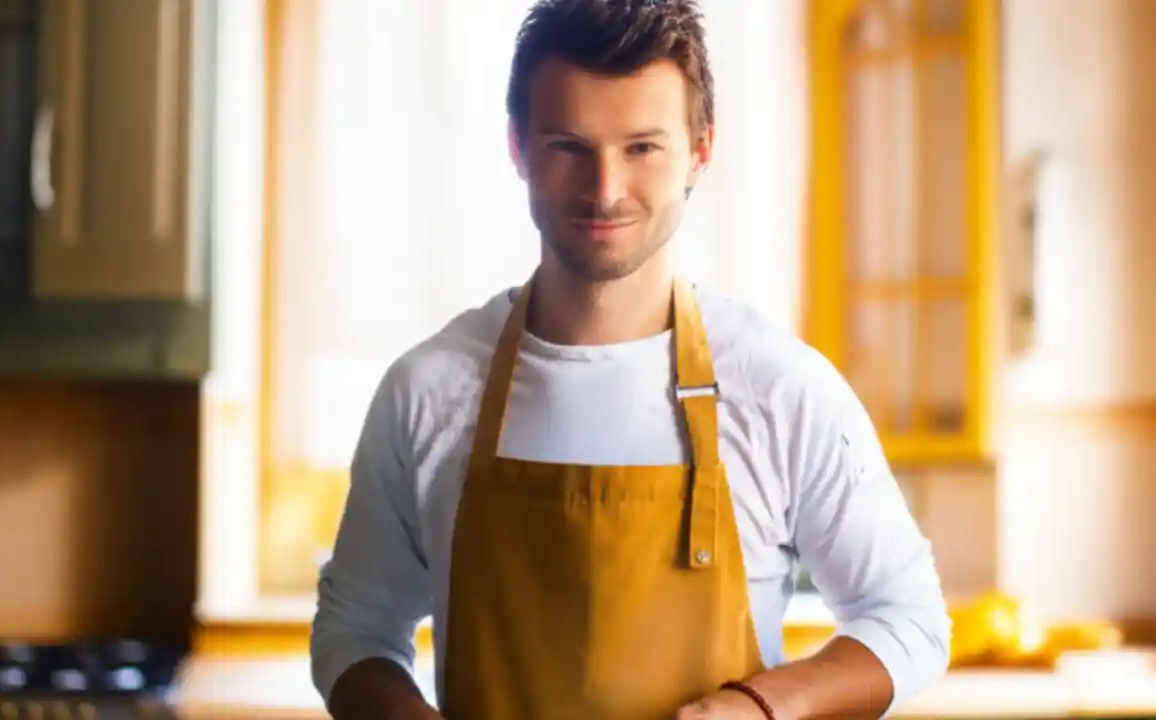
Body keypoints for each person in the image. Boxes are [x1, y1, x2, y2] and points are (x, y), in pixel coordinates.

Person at [310, 1, 950, 718]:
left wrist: (761, 707)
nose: (605, 189)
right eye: (568, 147)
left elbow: (910, 618)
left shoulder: (781, 389)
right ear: (518, 146)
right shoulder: (425, 392)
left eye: (642, 147)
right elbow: (354, 631)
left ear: (700, 149)